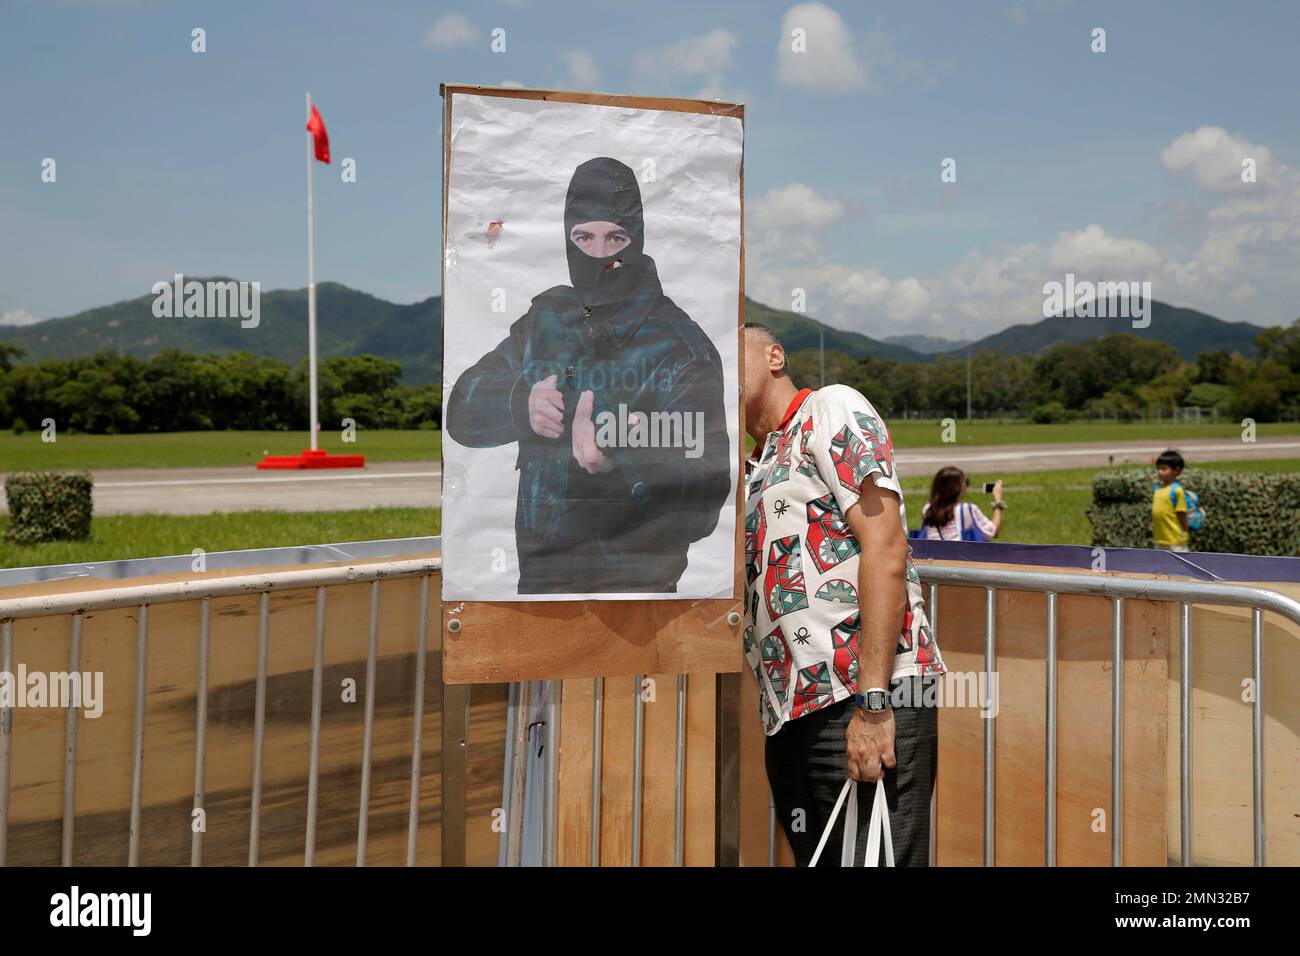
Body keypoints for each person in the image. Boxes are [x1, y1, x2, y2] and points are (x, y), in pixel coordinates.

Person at [445, 157, 731, 593]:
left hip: (638, 599)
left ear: (635, 240)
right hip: (541, 588)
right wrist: (521, 402)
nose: (599, 254)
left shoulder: (680, 347)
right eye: (583, 236)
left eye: (615, 237)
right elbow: (461, 409)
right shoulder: (547, 320)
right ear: (566, 239)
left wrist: (626, 455)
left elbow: (707, 494)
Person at [741, 322, 946, 867]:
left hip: (863, 694)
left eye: (727, 354)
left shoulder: (830, 407)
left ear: (775, 356)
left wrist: (873, 704)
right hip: (792, 708)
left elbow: (885, 545)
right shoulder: (753, 464)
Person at [919, 467, 1004, 541]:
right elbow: (993, 531)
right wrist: (998, 501)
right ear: (958, 488)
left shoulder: (927, 509)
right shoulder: (967, 509)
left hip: (934, 557)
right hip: (958, 558)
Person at [1152, 449, 1190, 552]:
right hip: (1160, 540)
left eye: (1164, 469)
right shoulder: (1156, 489)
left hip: (1176, 542)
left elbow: (1182, 514)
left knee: (1179, 567)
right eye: (1158, 469)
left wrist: (1186, 532)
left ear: (1176, 471)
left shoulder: (1177, 490)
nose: (1160, 472)